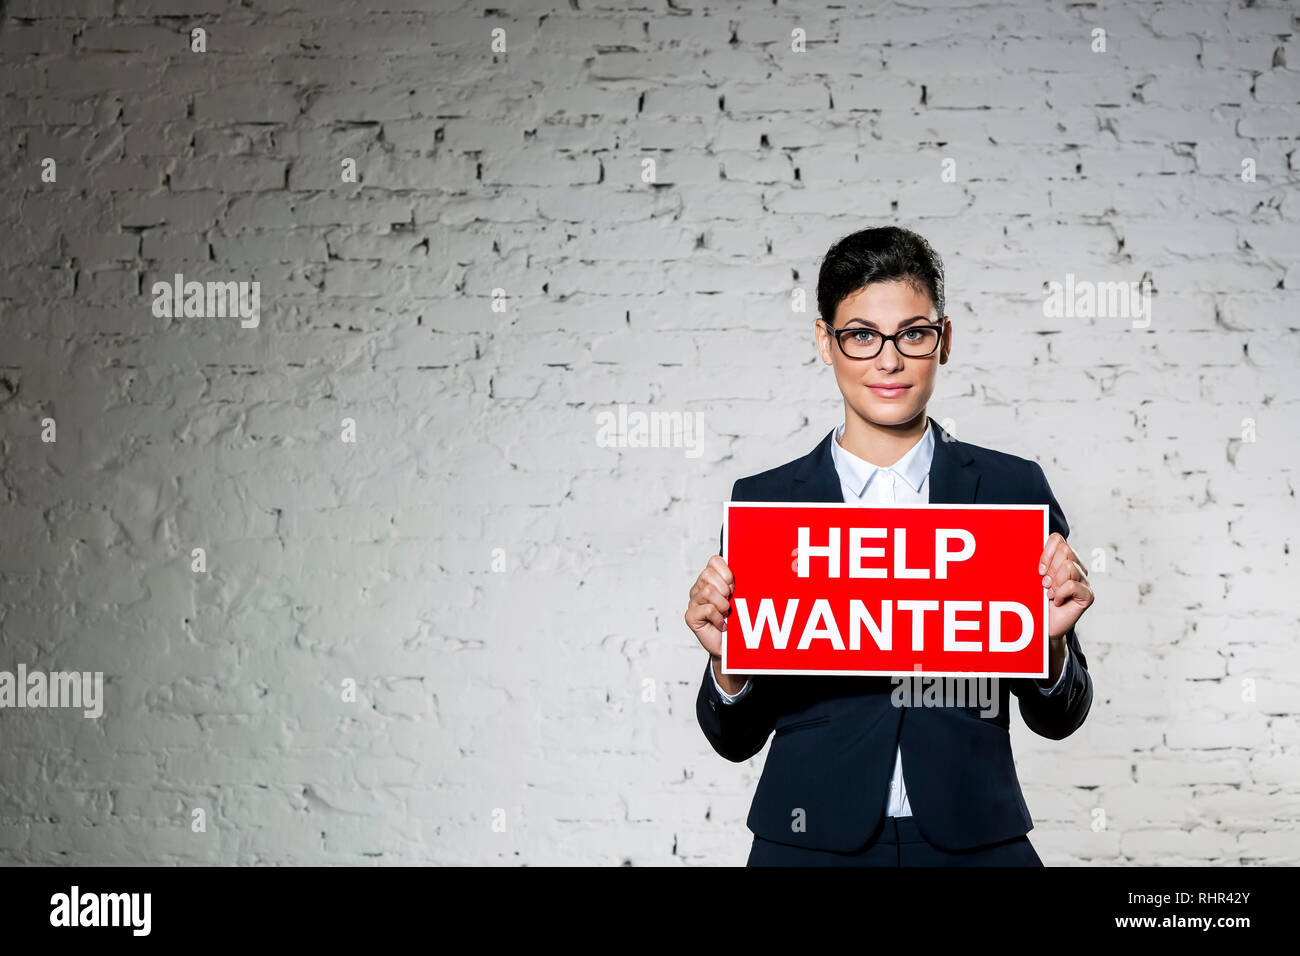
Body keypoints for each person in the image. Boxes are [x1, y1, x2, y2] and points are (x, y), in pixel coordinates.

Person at [686, 226, 1095, 866]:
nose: (889, 360)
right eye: (861, 336)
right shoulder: (768, 506)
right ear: (826, 342)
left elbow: (1062, 716)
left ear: (944, 340)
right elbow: (734, 738)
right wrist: (728, 668)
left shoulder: (1012, 490)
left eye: (912, 333)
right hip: (810, 842)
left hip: (974, 839)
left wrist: (1050, 642)